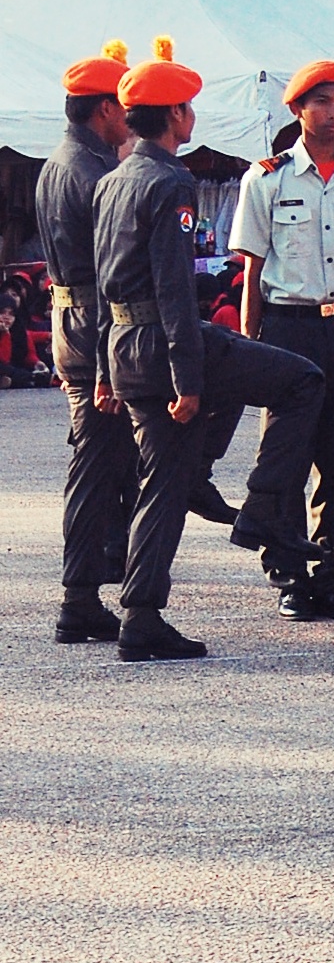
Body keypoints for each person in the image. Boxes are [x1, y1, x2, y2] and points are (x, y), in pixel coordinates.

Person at [93, 38, 327, 661]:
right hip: (170, 345)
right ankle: (265, 508)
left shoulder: (113, 180)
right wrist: (188, 378)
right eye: (189, 107)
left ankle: (141, 616)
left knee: (162, 485)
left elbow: (97, 283)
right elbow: (173, 286)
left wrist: (103, 370)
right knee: (302, 381)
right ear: (176, 117)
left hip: (125, 345)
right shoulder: (170, 181)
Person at [231, 60, 334, 622]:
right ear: (297, 109)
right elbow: (251, 270)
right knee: (286, 454)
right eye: (321, 101)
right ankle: (289, 574)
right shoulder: (267, 178)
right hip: (288, 327)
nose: (333, 113)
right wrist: (249, 348)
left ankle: (332, 576)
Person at [33, 43, 140, 642]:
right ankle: (79, 596)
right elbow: (106, 277)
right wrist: (108, 365)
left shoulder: (62, 162)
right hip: (96, 326)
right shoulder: (93, 173)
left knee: (103, 460)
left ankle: (95, 582)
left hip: (70, 319)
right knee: (96, 464)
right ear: (105, 108)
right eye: (125, 105)